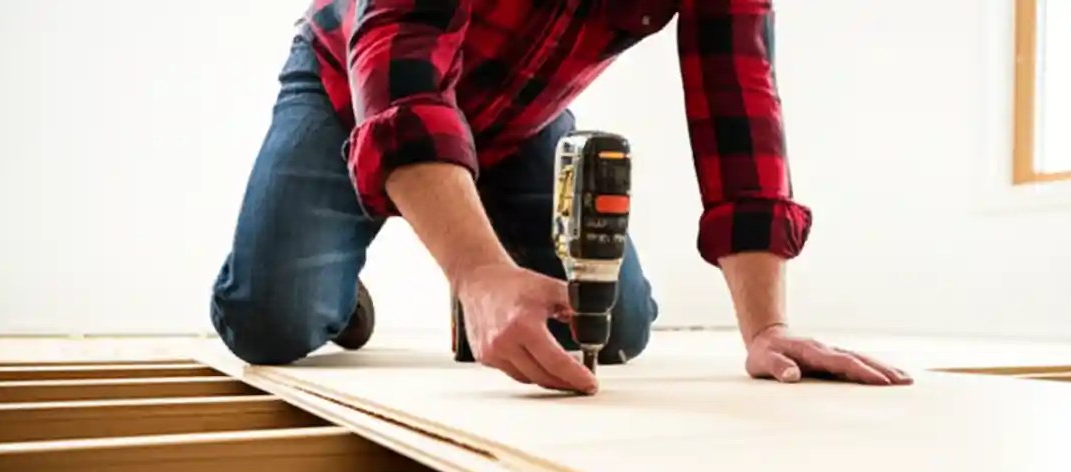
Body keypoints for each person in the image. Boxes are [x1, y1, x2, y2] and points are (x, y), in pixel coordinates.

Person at [209, 1, 912, 394]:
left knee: (614, 329)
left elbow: (740, 101)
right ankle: (343, 293)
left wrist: (766, 329)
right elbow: (401, 54)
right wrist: (476, 270)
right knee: (269, 323)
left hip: (522, 123)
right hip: (350, 86)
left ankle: (482, 281)